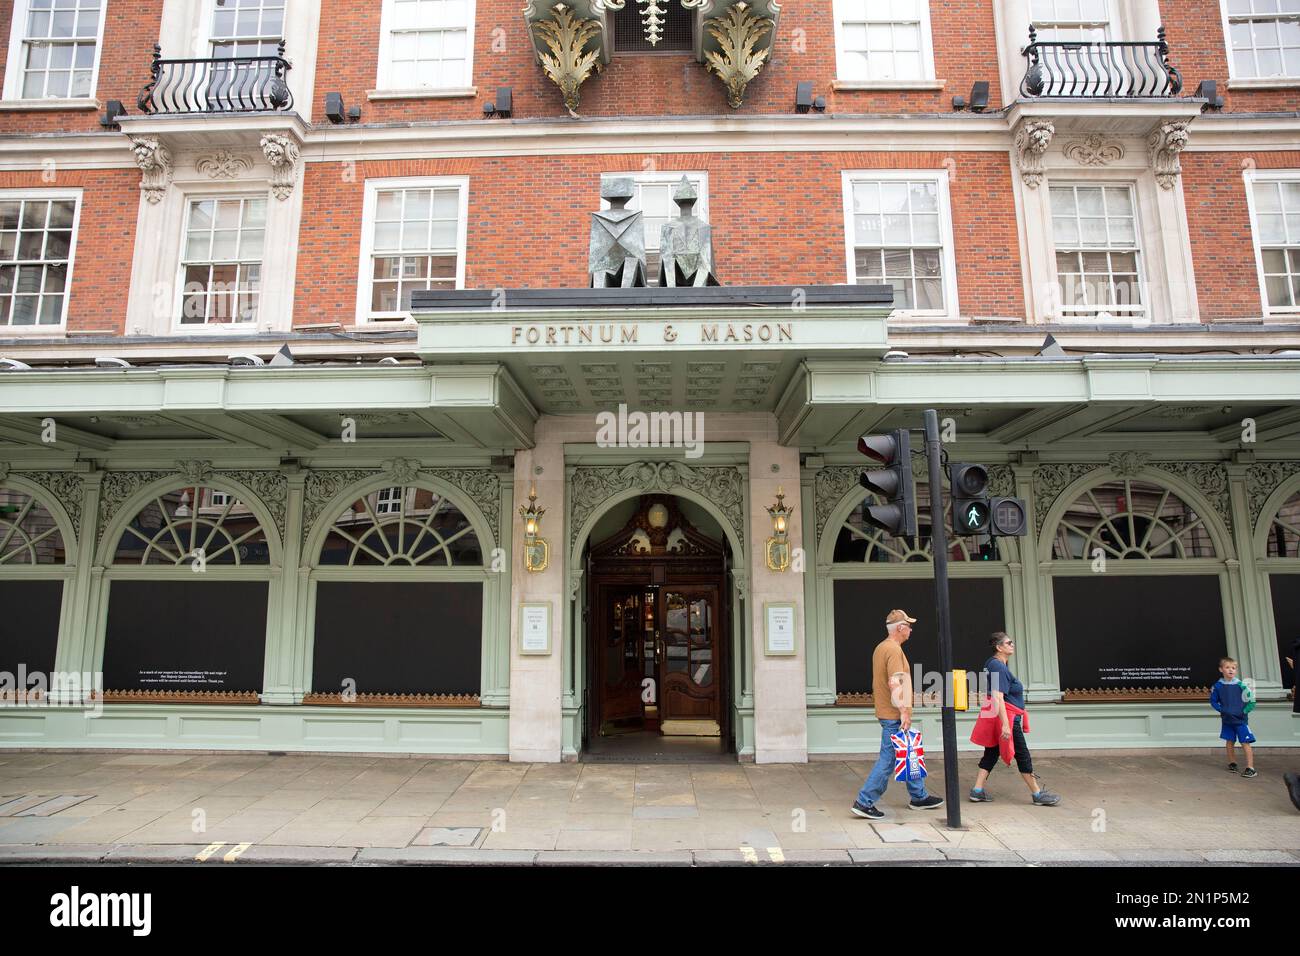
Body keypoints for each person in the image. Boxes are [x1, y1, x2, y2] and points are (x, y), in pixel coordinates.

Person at [851, 609, 944, 819]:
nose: (911, 630)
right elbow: (895, 681)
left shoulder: (881, 647)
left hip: (889, 711)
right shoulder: (893, 650)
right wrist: (904, 712)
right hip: (894, 714)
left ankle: (919, 796)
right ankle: (864, 801)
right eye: (909, 626)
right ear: (900, 628)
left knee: (909, 751)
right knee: (889, 759)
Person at [969, 632, 1061, 806]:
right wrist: (1005, 724)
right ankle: (1037, 794)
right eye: (1009, 642)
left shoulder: (992, 663)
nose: (1012, 645)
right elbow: (998, 697)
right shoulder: (999, 667)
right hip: (1007, 718)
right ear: (999, 647)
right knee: (1022, 754)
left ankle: (977, 790)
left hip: (999, 716)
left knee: (991, 752)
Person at [1210, 657, 1257, 777]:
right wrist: (1222, 710)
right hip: (1227, 720)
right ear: (1221, 669)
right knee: (1229, 741)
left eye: (1233, 668)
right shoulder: (1218, 686)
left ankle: (1250, 767)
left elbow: (1252, 701)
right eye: (1227, 667)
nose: (1231, 670)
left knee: (1245, 742)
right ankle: (1232, 763)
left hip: (1240, 720)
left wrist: (1244, 711)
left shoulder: (1241, 685)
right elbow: (1213, 701)